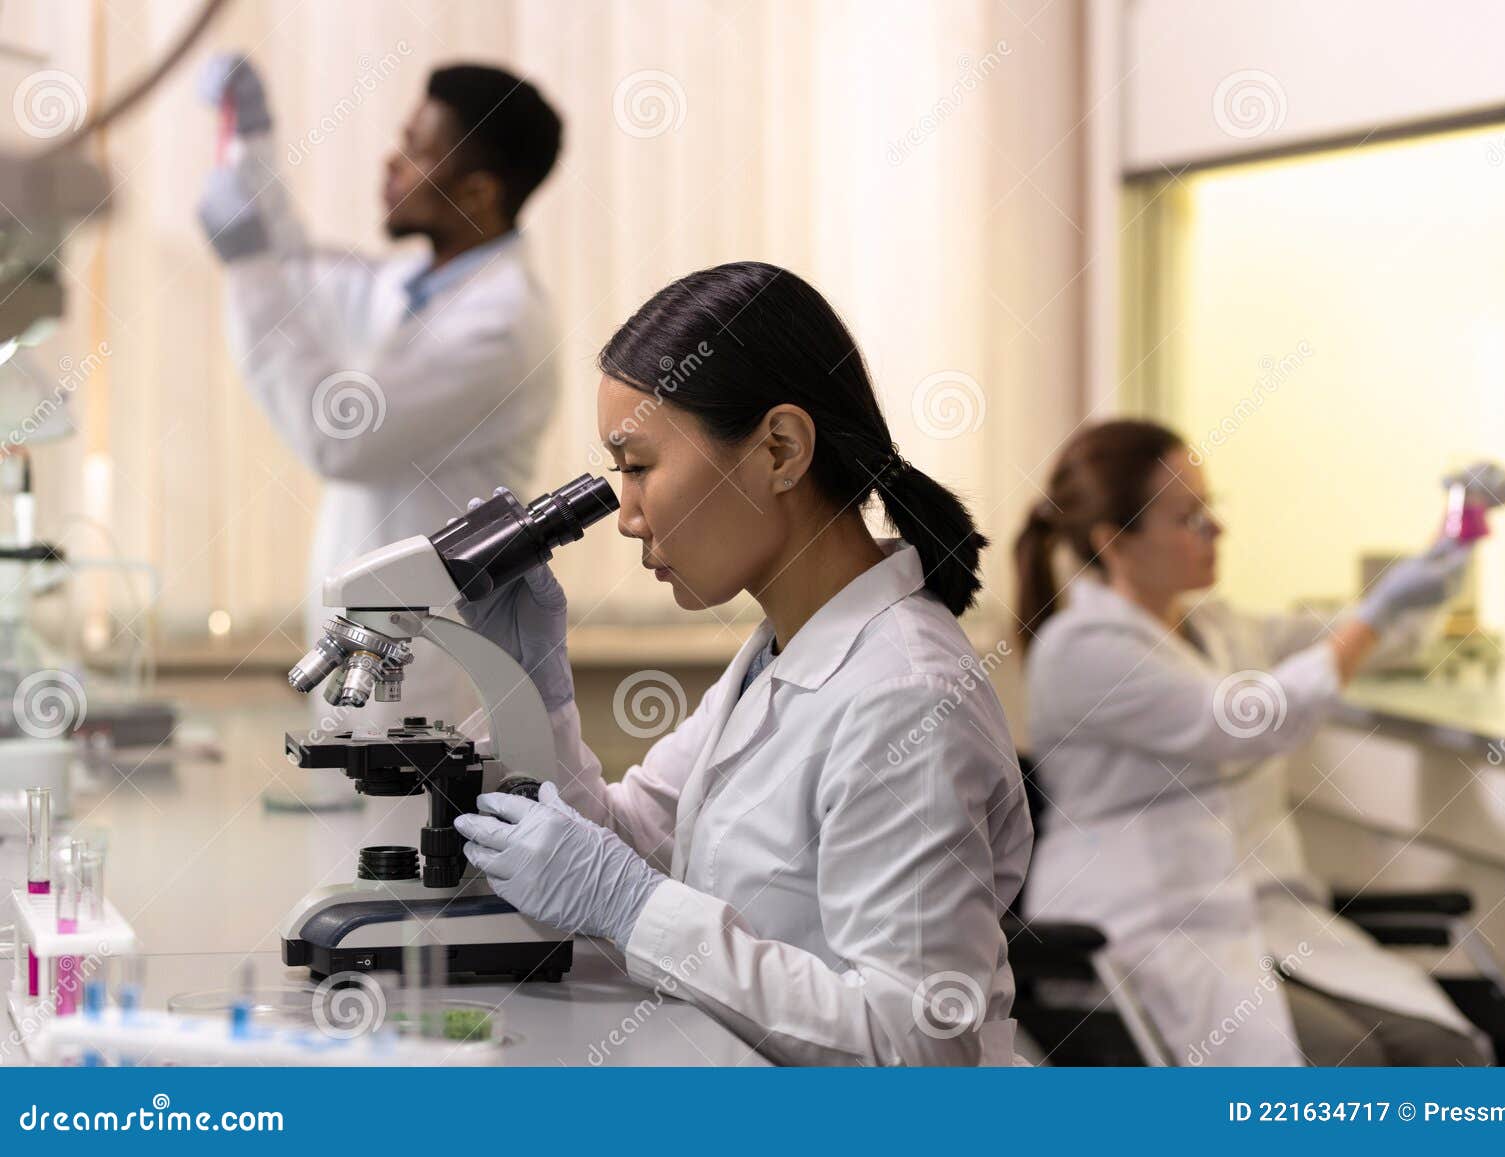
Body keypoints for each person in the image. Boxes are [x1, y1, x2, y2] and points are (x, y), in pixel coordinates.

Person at [452, 261, 1032, 1066]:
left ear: (781, 449)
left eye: (639, 465)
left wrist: (632, 906)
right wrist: (536, 686)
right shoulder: (779, 652)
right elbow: (625, 843)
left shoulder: (906, 698)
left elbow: (921, 1048)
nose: (624, 515)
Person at [1012, 418, 1490, 1067]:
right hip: (1143, 937)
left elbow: (1375, 642)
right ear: (1114, 541)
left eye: (1211, 508)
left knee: (1444, 1048)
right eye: (1188, 516)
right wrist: (1373, 617)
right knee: (1343, 1060)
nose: (1216, 529)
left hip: (1261, 920)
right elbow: (1243, 720)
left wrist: (1451, 545)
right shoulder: (1081, 652)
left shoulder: (1219, 627)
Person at [196, 56, 562, 735]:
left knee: (404, 833)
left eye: (418, 151)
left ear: (480, 193)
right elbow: (297, 272)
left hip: (425, 670)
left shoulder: (502, 326)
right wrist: (251, 139)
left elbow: (343, 438)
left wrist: (246, 263)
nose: (391, 163)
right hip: (364, 653)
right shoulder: (411, 285)